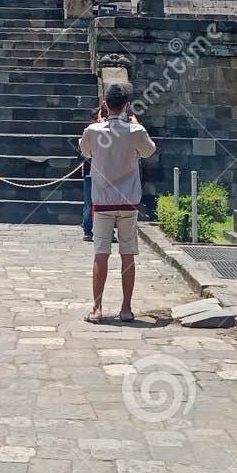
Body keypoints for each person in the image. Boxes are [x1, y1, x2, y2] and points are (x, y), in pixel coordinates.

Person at [78, 81, 156, 323]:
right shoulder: (136, 132)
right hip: (128, 201)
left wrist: (101, 122)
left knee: (100, 254)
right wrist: (135, 124)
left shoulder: (93, 131)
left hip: (102, 201)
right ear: (127, 106)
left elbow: (85, 151)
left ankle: (98, 307)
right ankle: (126, 307)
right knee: (127, 254)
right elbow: (149, 151)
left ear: (104, 105)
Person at [80, 104, 100, 241]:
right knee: (89, 203)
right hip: (90, 172)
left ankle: (108, 231)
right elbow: (83, 154)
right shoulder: (89, 132)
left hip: (106, 174)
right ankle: (88, 230)